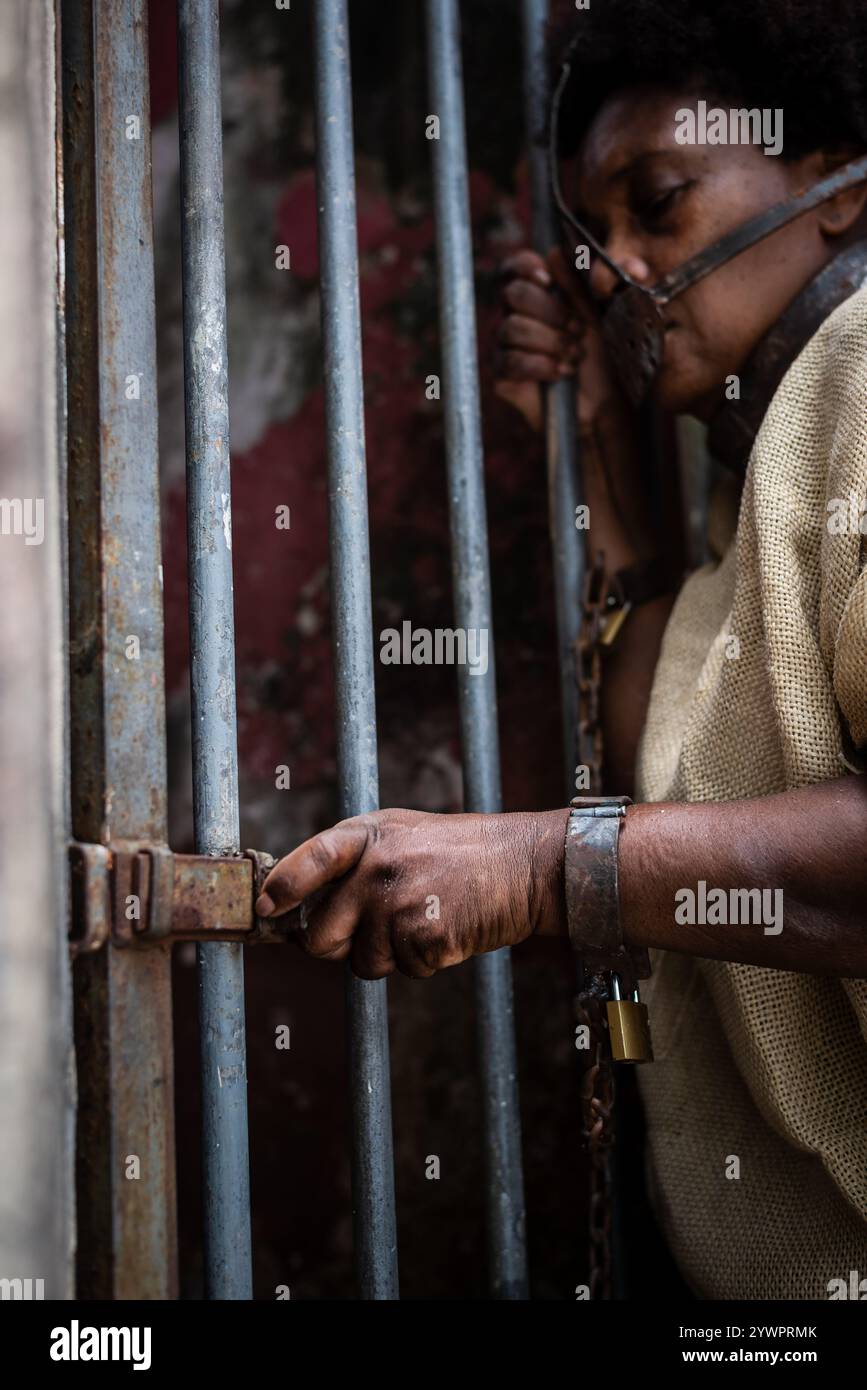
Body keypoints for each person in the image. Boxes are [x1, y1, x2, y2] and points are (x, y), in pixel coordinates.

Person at [256, 0, 867, 1298]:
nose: (617, 268)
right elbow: (687, 753)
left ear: (835, 186)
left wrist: (540, 865)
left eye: (662, 203)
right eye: (601, 239)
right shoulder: (765, 448)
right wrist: (594, 422)